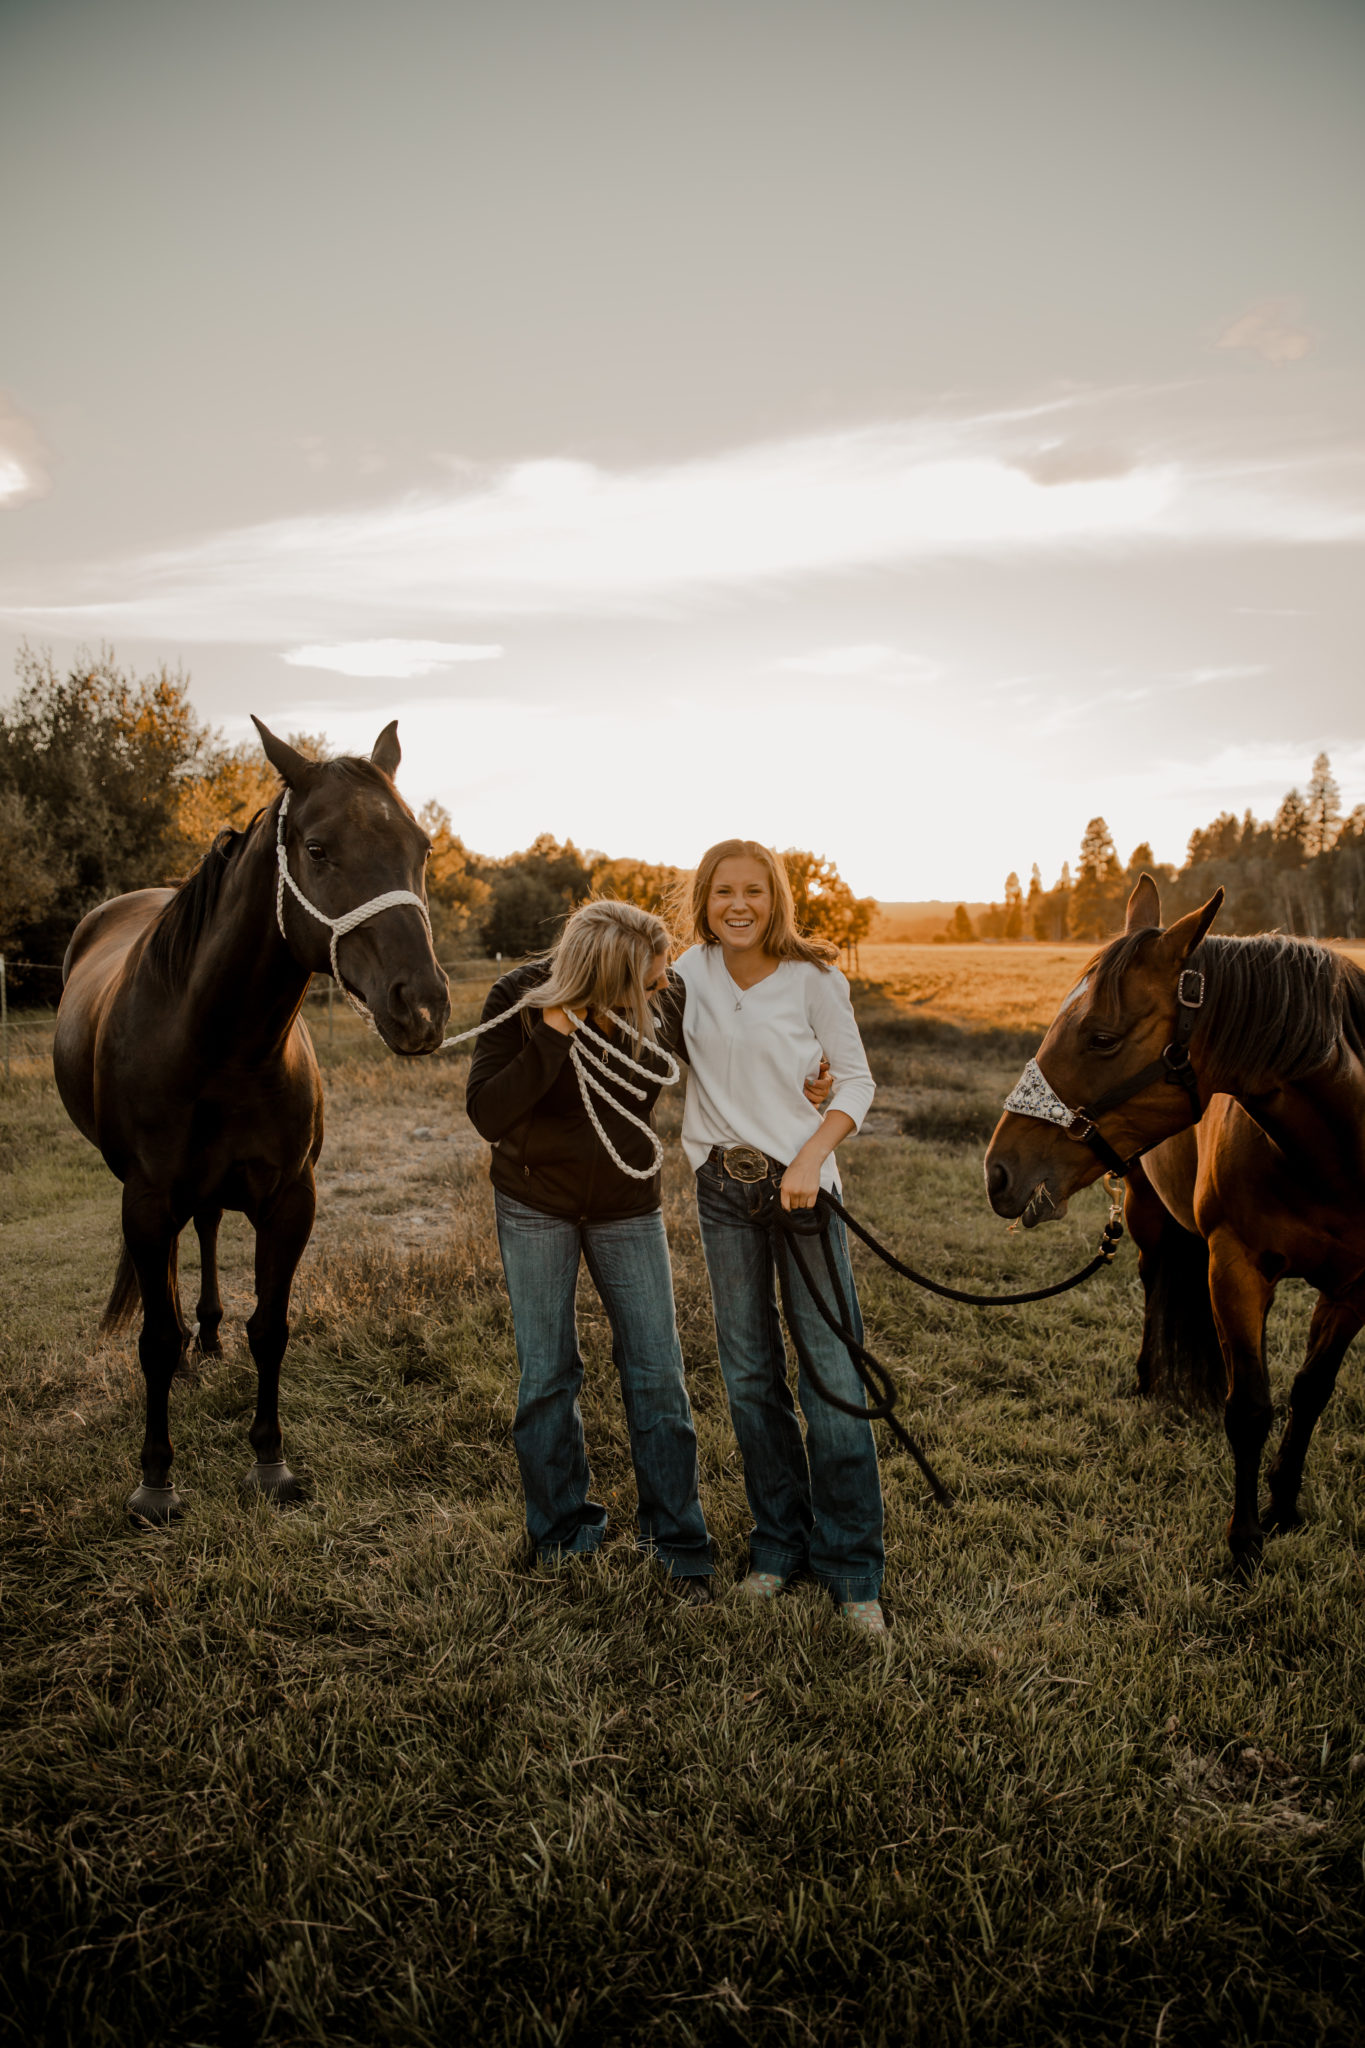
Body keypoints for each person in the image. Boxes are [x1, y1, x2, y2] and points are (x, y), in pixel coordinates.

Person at [464, 899, 715, 1601]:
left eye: (664, 976)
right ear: (599, 978)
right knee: (547, 1373)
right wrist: (549, 1036)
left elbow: (722, 1061)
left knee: (657, 1370)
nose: (662, 989)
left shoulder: (666, 994)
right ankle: (560, 1535)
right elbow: (485, 1111)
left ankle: (676, 1542)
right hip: (534, 1201)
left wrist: (805, 1082)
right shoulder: (518, 997)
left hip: (626, 1205)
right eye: (647, 983)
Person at [673, 840, 887, 1636]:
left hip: (802, 1192)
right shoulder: (685, 974)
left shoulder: (814, 978)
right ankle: (777, 1546)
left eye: (753, 892)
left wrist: (810, 1154)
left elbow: (855, 1078)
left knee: (830, 1377)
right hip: (722, 1192)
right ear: (704, 899)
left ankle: (853, 1567)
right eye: (723, 891)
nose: (738, 905)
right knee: (749, 1377)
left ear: (775, 899)